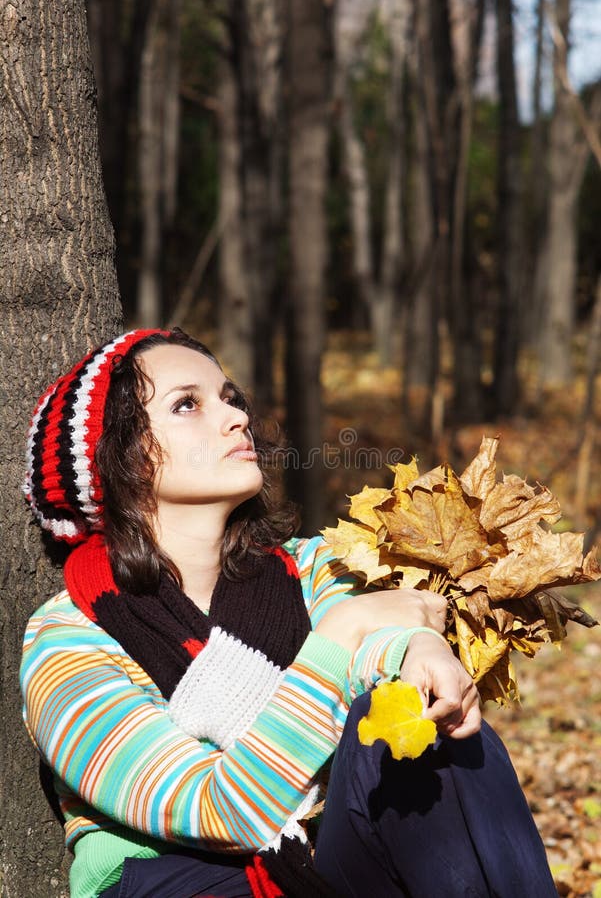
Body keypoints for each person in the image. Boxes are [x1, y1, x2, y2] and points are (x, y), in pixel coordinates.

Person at [21, 328, 557, 898]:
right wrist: (341, 634)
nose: (234, 418)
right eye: (187, 404)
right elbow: (216, 810)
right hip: (177, 882)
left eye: (229, 398)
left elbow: (377, 660)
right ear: (119, 456)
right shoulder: (68, 637)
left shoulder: (311, 568)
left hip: (329, 857)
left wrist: (417, 646)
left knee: (418, 730)